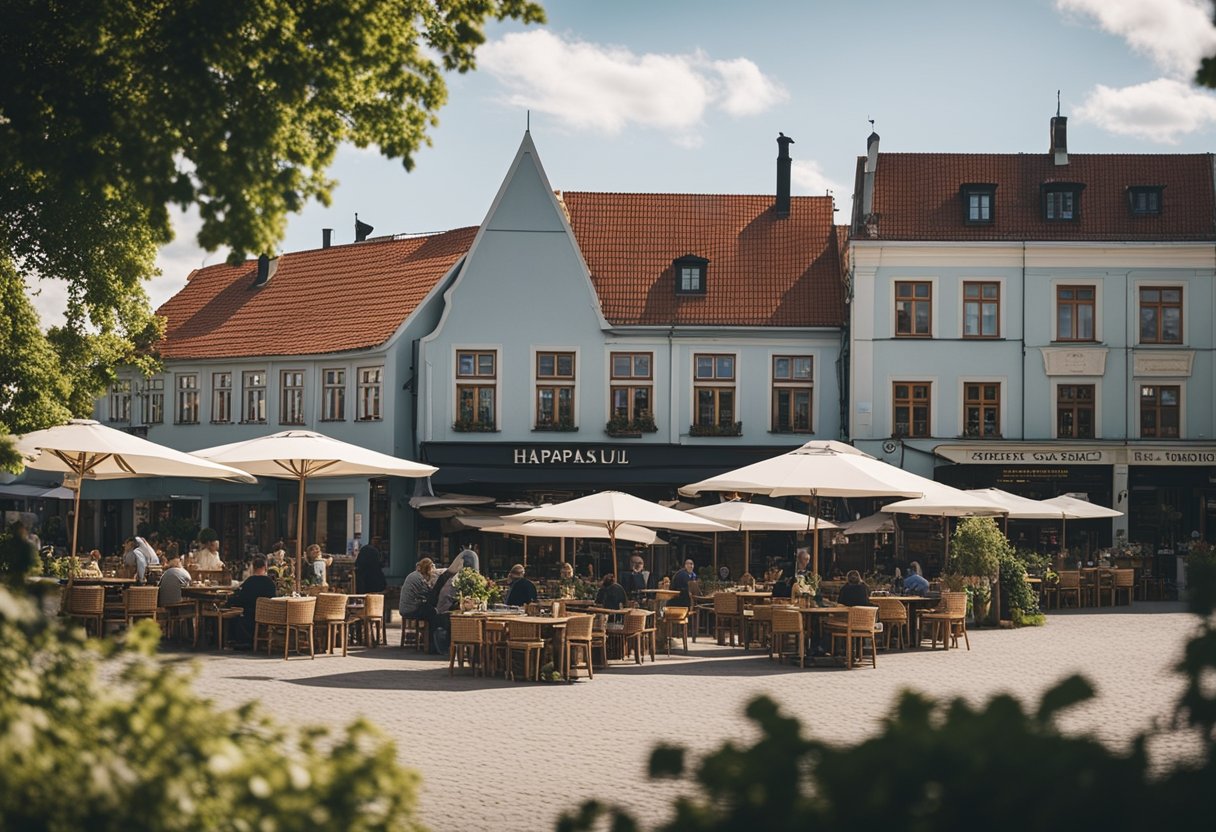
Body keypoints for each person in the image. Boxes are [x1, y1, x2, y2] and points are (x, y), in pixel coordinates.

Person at [228, 555, 278, 648]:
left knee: (234, 618)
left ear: (254, 568)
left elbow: (241, 599)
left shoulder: (249, 582)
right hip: (267, 615)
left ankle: (240, 642)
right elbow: (274, 599)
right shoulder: (270, 583)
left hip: (250, 615)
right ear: (265, 567)